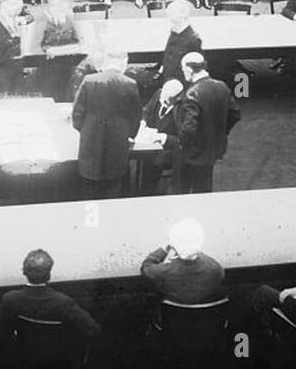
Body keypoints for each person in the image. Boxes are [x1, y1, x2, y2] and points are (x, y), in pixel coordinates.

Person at [71, 48, 144, 198]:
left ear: (106, 61)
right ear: (124, 63)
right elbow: (135, 116)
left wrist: (86, 131)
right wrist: (129, 134)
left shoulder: (89, 81)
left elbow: (77, 115)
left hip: (91, 142)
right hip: (117, 143)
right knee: (113, 187)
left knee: (89, 188)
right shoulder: (130, 84)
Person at [0, 249, 100, 345]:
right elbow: (93, 329)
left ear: (24, 272)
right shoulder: (64, 303)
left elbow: (6, 333)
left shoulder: (10, 299)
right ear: (49, 275)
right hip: (60, 359)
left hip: (23, 358)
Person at [175, 52, 241, 193]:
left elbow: (189, 128)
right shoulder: (222, 86)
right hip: (213, 150)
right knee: (204, 189)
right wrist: (221, 131)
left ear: (189, 69)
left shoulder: (191, 93)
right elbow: (235, 114)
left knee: (182, 190)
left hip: (192, 153)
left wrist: (181, 143)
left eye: (183, 70)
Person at [140, 218, 226, 304]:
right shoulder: (215, 268)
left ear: (173, 245)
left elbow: (145, 267)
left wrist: (164, 250)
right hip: (207, 316)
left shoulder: (163, 270)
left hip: (174, 315)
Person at [140, 77, 184, 194]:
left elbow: (183, 139)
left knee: (153, 163)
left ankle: (150, 194)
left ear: (178, 98)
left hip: (169, 150)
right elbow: (147, 110)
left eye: (166, 101)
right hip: (150, 143)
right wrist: (143, 122)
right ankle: (143, 192)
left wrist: (163, 137)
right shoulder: (160, 94)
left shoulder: (184, 108)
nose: (162, 103)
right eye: (161, 99)